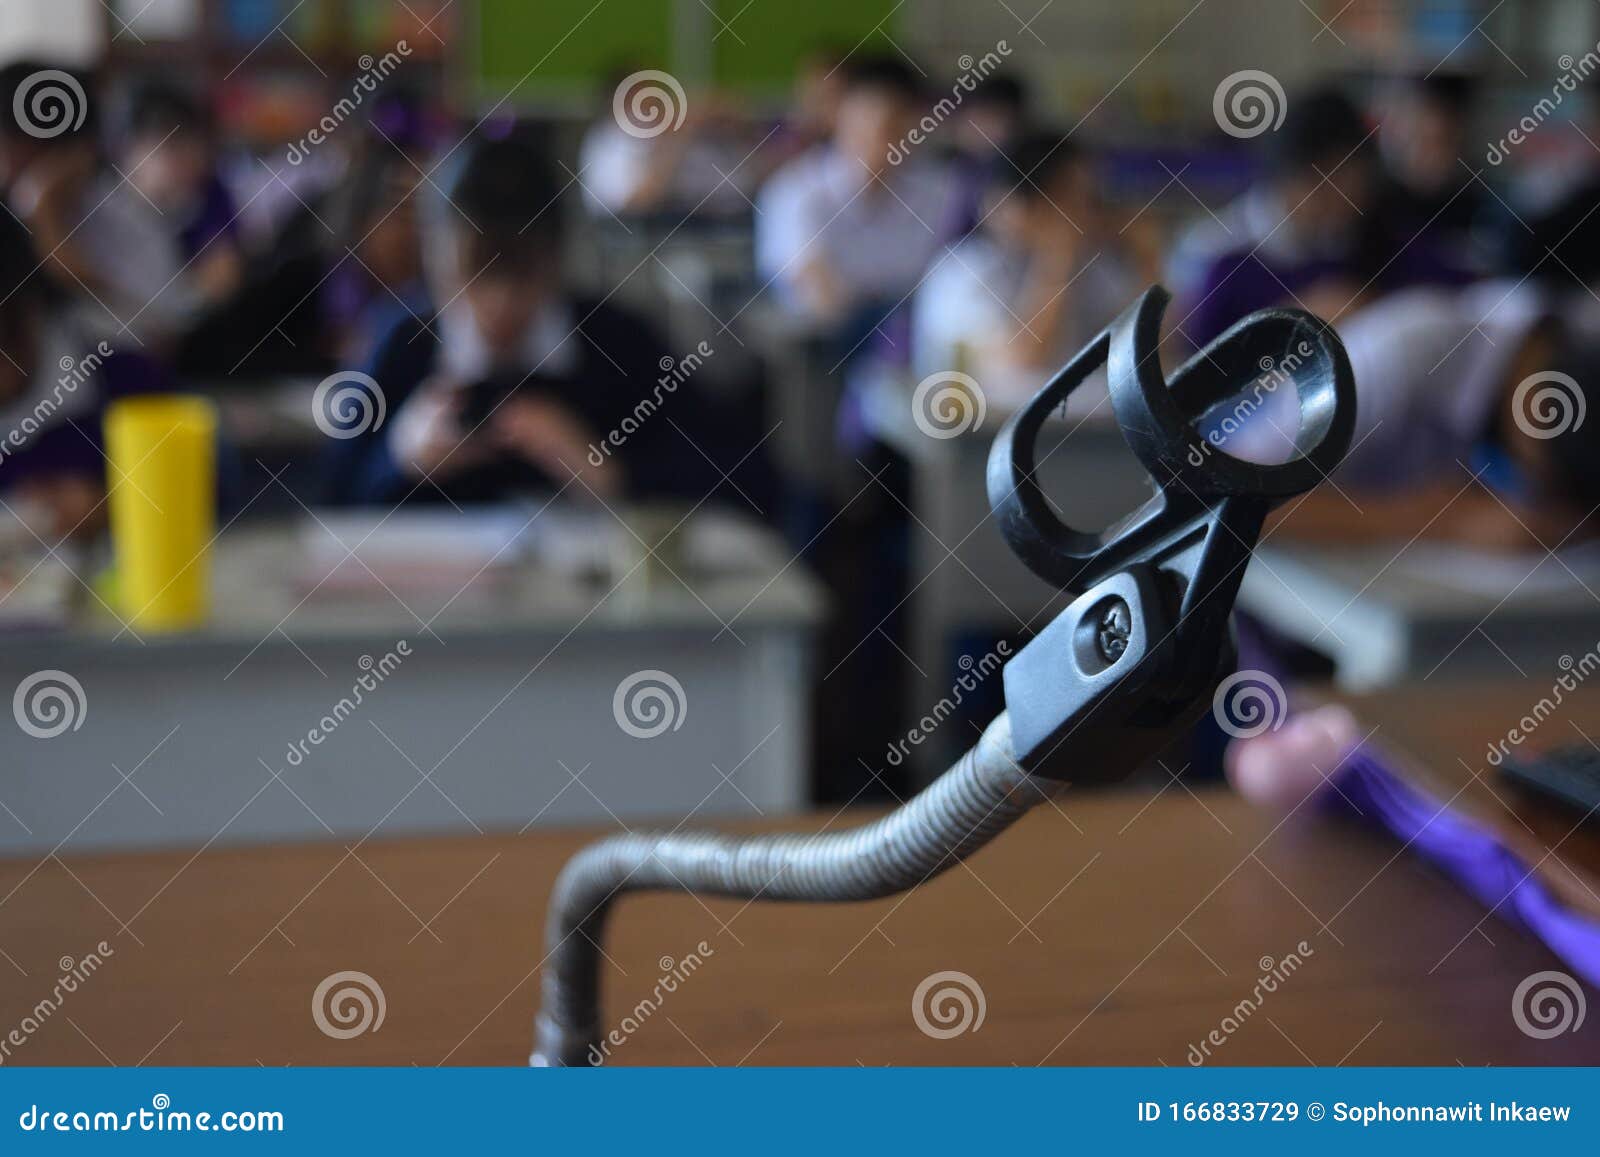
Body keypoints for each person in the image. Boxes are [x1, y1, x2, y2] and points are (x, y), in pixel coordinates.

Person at [324, 135, 705, 507]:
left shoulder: (619, 343)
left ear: (556, 261)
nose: (498, 304)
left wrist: (607, 473)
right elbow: (327, 499)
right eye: (472, 273)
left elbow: (722, 477)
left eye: (521, 274)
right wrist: (400, 459)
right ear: (435, 262)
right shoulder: (399, 340)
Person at [1244, 283, 1599, 551]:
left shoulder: (1560, 339)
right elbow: (1229, 497)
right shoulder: (1401, 355)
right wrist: (1434, 521)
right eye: (1547, 480)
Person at [1175, 86, 1467, 349]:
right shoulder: (1219, 255)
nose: (1351, 196)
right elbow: (1201, 370)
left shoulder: (1372, 232)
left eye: (1357, 179)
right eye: (1334, 181)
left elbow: (1463, 286)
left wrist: (1372, 303)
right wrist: (1290, 324)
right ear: (1293, 178)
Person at [912, 131, 1145, 402]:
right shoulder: (965, 270)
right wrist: (1056, 260)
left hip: (1076, 428)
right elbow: (1020, 365)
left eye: (1090, 200)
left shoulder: (1091, 265)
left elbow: (1149, 355)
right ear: (1014, 204)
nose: (1085, 214)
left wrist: (1147, 260)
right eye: (1068, 199)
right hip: (978, 431)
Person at [756, 55, 956, 338]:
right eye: (876, 125)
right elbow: (815, 290)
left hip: (917, 332)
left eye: (898, 124)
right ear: (842, 116)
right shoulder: (795, 191)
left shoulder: (940, 188)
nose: (885, 139)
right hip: (830, 342)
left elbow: (949, 277)